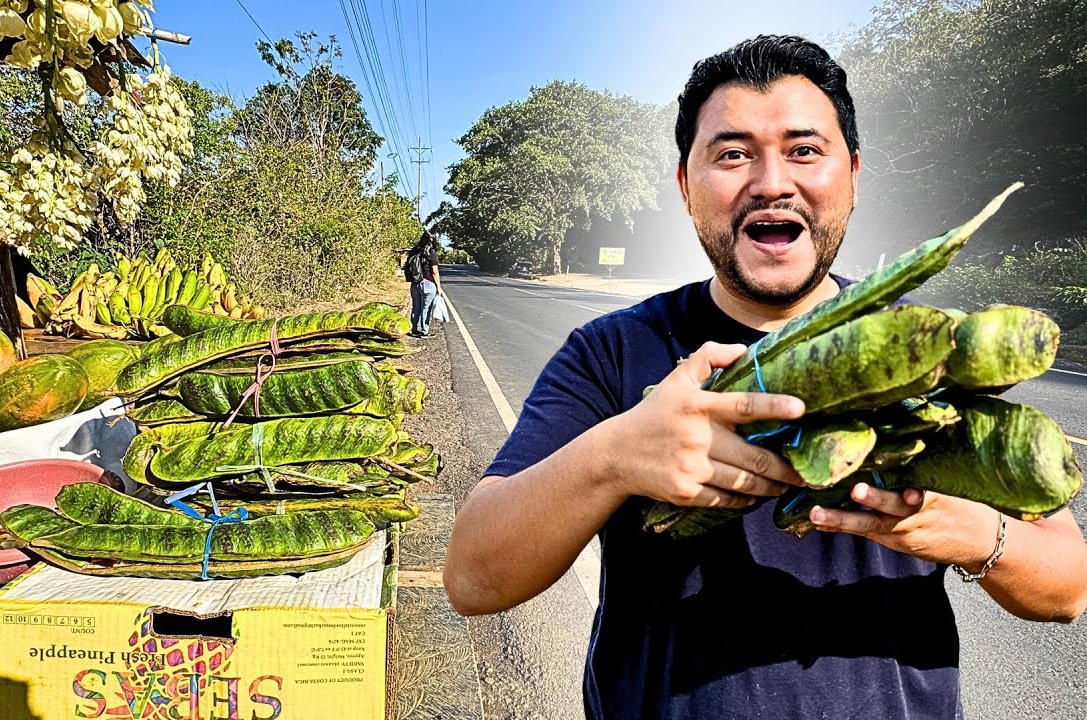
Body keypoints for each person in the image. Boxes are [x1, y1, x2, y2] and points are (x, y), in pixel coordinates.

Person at [442, 34, 1087, 719]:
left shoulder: (928, 347)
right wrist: (616, 458)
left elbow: (1069, 587)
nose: (772, 181)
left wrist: (973, 535)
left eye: (805, 150)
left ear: (854, 173)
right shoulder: (612, 352)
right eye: (732, 154)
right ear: (687, 186)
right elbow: (474, 577)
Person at [405, 231, 441, 338]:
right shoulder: (431, 253)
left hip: (415, 283)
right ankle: (425, 331)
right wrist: (439, 287)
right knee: (426, 308)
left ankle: (414, 329)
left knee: (415, 307)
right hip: (428, 284)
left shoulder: (414, 251)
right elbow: (434, 271)